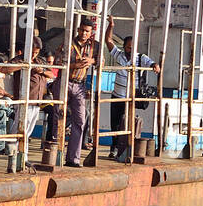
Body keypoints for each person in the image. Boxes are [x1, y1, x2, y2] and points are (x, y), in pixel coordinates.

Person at [49, 15, 114, 167]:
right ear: (78, 30)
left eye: (87, 31)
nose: (84, 33)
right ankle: (56, 155)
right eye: (82, 30)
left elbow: (101, 61)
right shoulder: (68, 44)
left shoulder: (95, 46)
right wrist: (74, 65)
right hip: (64, 82)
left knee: (80, 120)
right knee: (59, 118)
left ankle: (73, 158)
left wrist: (92, 61)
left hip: (79, 85)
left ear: (91, 32)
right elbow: (57, 64)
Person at [107, 33, 160, 161]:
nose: (130, 50)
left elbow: (152, 63)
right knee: (114, 124)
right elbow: (108, 40)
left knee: (127, 123)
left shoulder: (140, 58)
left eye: (133, 48)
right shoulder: (118, 55)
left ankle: (125, 148)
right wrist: (111, 26)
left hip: (130, 98)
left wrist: (155, 66)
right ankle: (114, 148)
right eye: (128, 48)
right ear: (124, 47)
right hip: (117, 95)